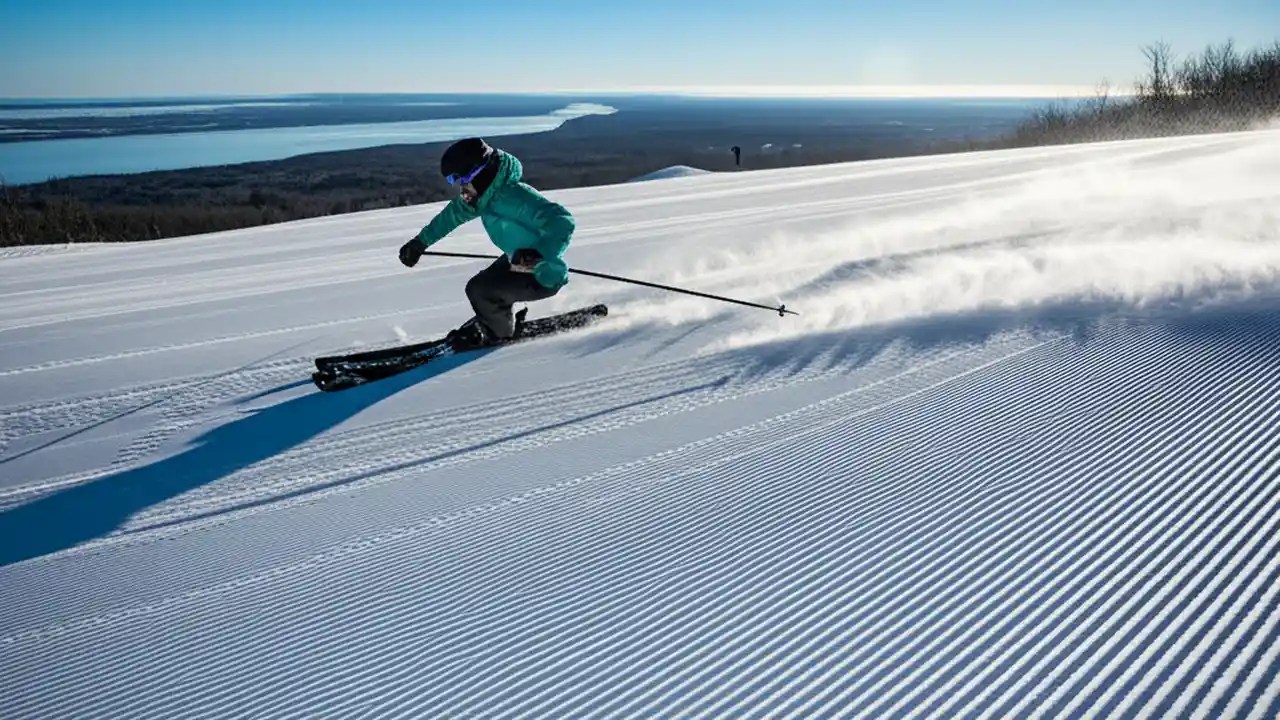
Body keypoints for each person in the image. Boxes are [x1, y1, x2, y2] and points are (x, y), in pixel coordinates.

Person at [398, 137, 575, 351]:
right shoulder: (481, 198)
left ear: (481, 172)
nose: (460, 186)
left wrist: (540, 254)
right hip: (517, 260)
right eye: (453, 181)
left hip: (542, 272)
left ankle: (499, 336)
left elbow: (561, 220)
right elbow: (451, 216)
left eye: (461, 178)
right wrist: (420, 242)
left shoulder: (512, 196)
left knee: (481, 290)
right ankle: (494, 320)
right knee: (482, 286)